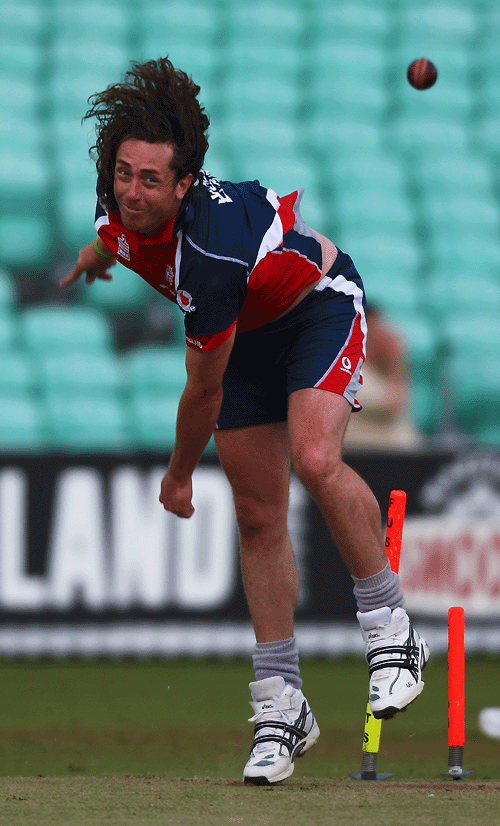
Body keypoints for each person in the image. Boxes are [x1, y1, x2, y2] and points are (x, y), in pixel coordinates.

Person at [61, 57, 430, 785]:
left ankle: (392, 632)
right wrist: (96, 255)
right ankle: (281, 707)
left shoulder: (209, 253)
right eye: (123, 174)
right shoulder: (118, 203)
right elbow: (116, 232)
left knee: (315, 459)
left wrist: (175, 476)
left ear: (184, 184)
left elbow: (202, 393)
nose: (132, 193)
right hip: (247, 335)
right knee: (259, 516)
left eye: (149, 181)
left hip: (316, 308)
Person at [343, 303, 422, 451]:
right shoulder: (347, 371)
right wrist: (396, 362)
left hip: (396, 460)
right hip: (366, 460)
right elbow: (391, 406)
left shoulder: (380, 373)